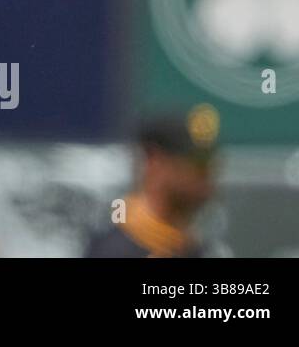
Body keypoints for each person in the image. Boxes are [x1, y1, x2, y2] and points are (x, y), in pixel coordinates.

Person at [85, 109, 220, 258]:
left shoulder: (199, 248)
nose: (207, 175)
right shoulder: (113, 249)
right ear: (154, 161)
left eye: (211, 164)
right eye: (197, 164)